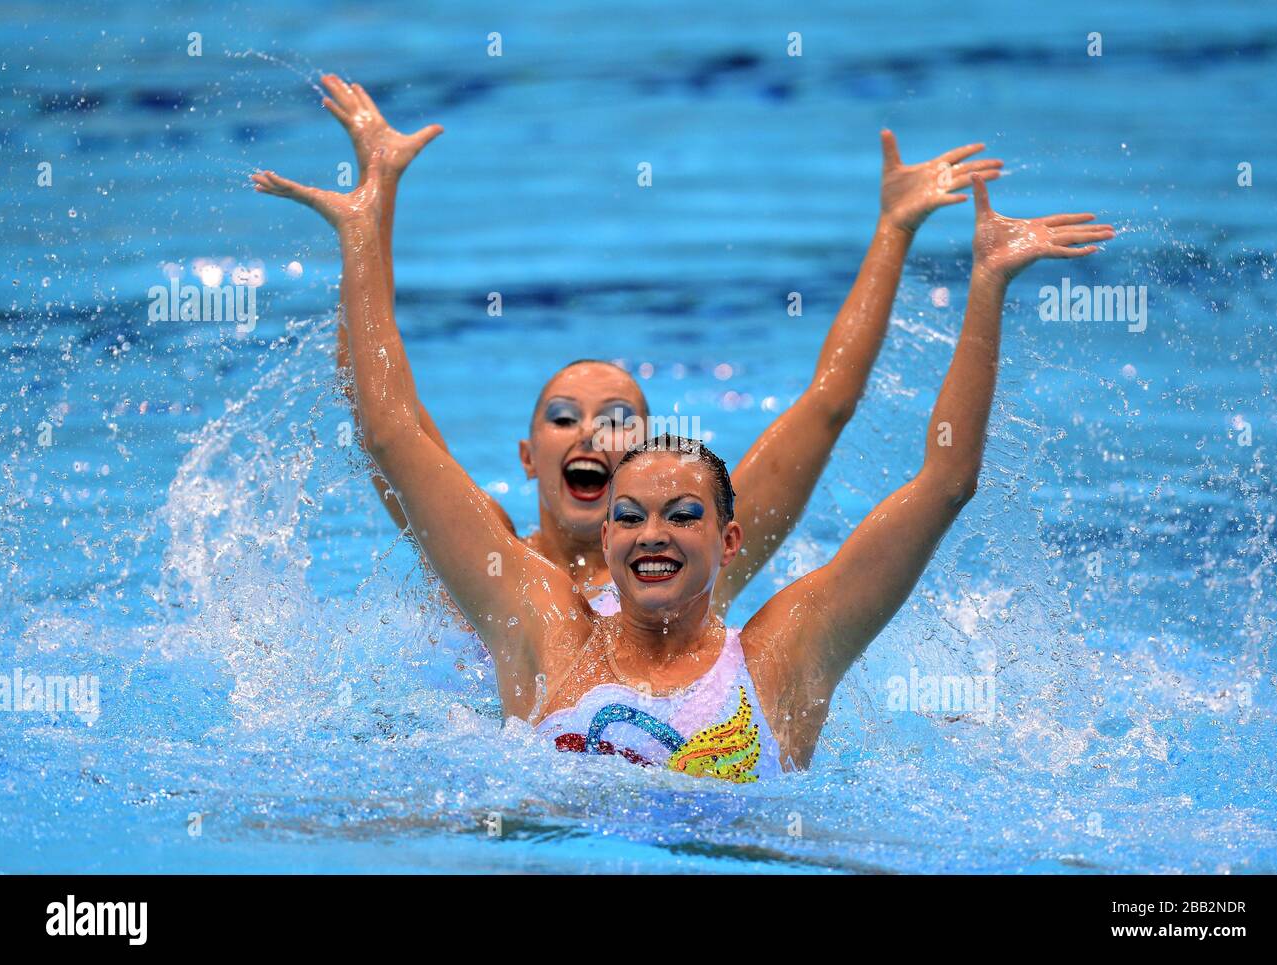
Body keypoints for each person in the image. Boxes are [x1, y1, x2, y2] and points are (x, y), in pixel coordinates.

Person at [252, 155, 1114, 780]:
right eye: (631, 516)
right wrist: (365, 232)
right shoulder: (542, 623)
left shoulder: (783, 657)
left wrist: (985, 283)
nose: (649, 533)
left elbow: (940, 478)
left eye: (679, 515)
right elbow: (393, 436)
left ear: (729, 537)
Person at [308, 74, 1003, 617]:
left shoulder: (697, 567)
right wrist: (375, 203)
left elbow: (828, 403)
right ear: (527, 457)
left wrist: (894, 228)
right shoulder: (485, 560)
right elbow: (381, 411)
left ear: (644, 459)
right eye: (562, 417)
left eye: (615, 421)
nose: (589, 432)